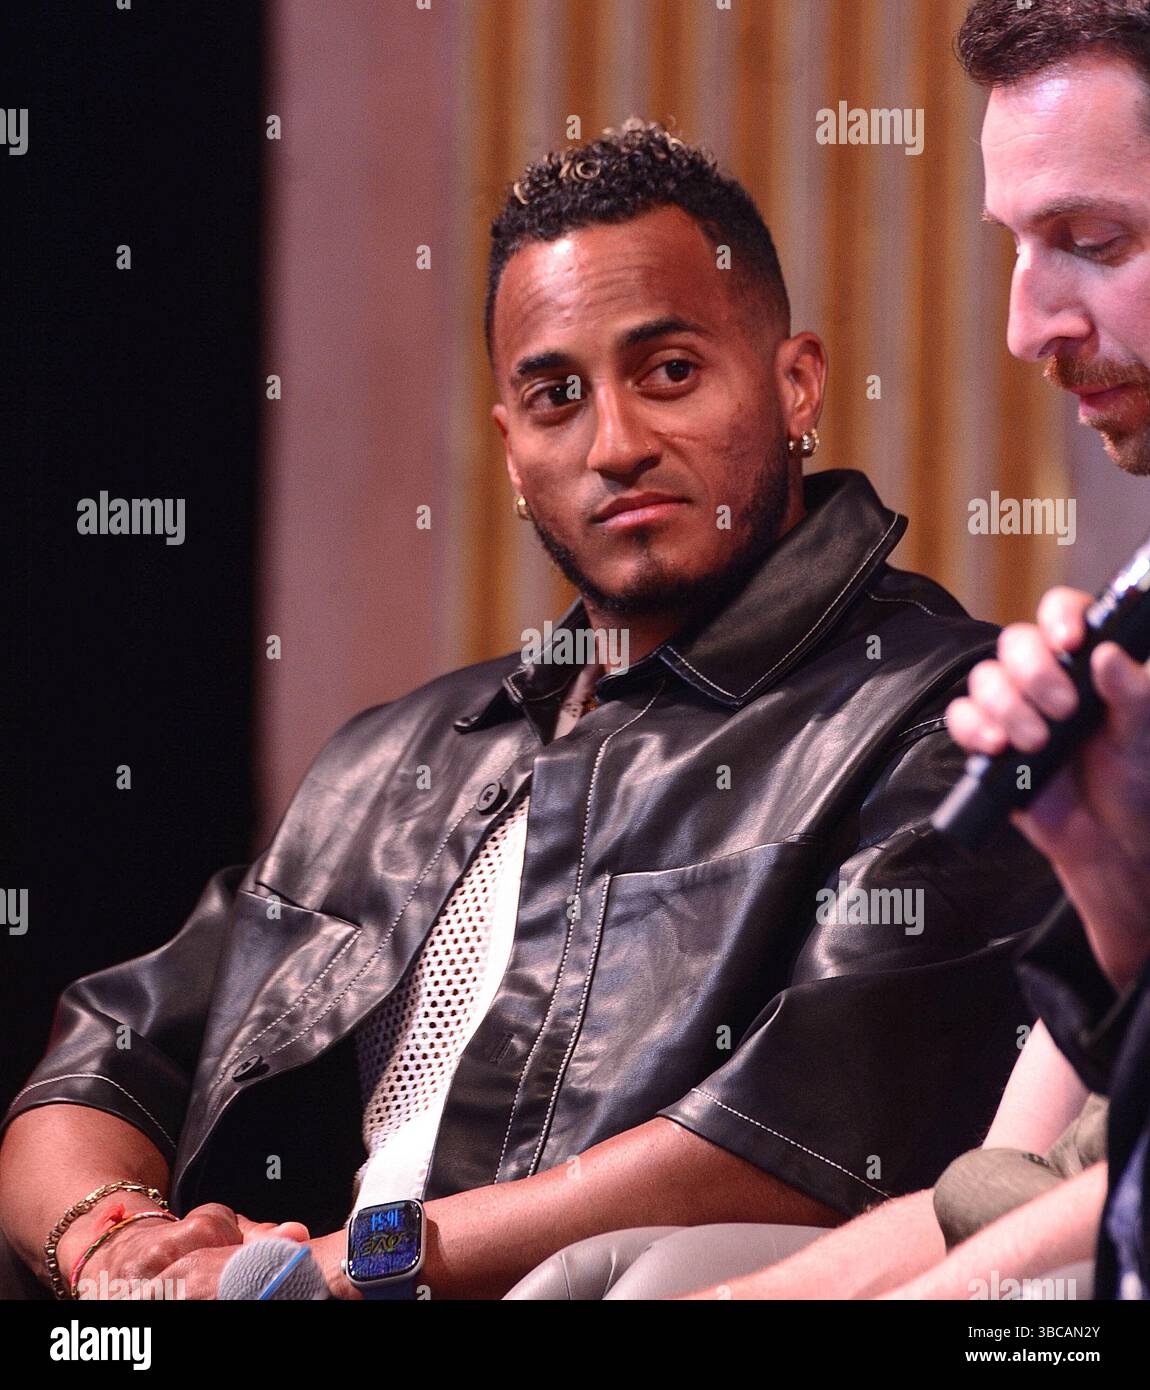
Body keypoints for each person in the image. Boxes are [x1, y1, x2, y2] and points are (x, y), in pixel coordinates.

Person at [0, 119, 1056, 1301]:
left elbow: (792, 1147)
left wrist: (337, 1270)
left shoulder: (949, 714)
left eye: (668, 373)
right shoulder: (392, 756)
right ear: (510, 449)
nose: (614, 444)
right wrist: (113, 1246)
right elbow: (108, 1047)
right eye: (555, 395)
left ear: (794, 381)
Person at [512, 1, 1150, 1303]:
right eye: (1018, 251)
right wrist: (1111, 889)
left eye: (1093, 242)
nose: (1030, 328)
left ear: (796, 386)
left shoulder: (911, 699)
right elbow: (1009, 1172)